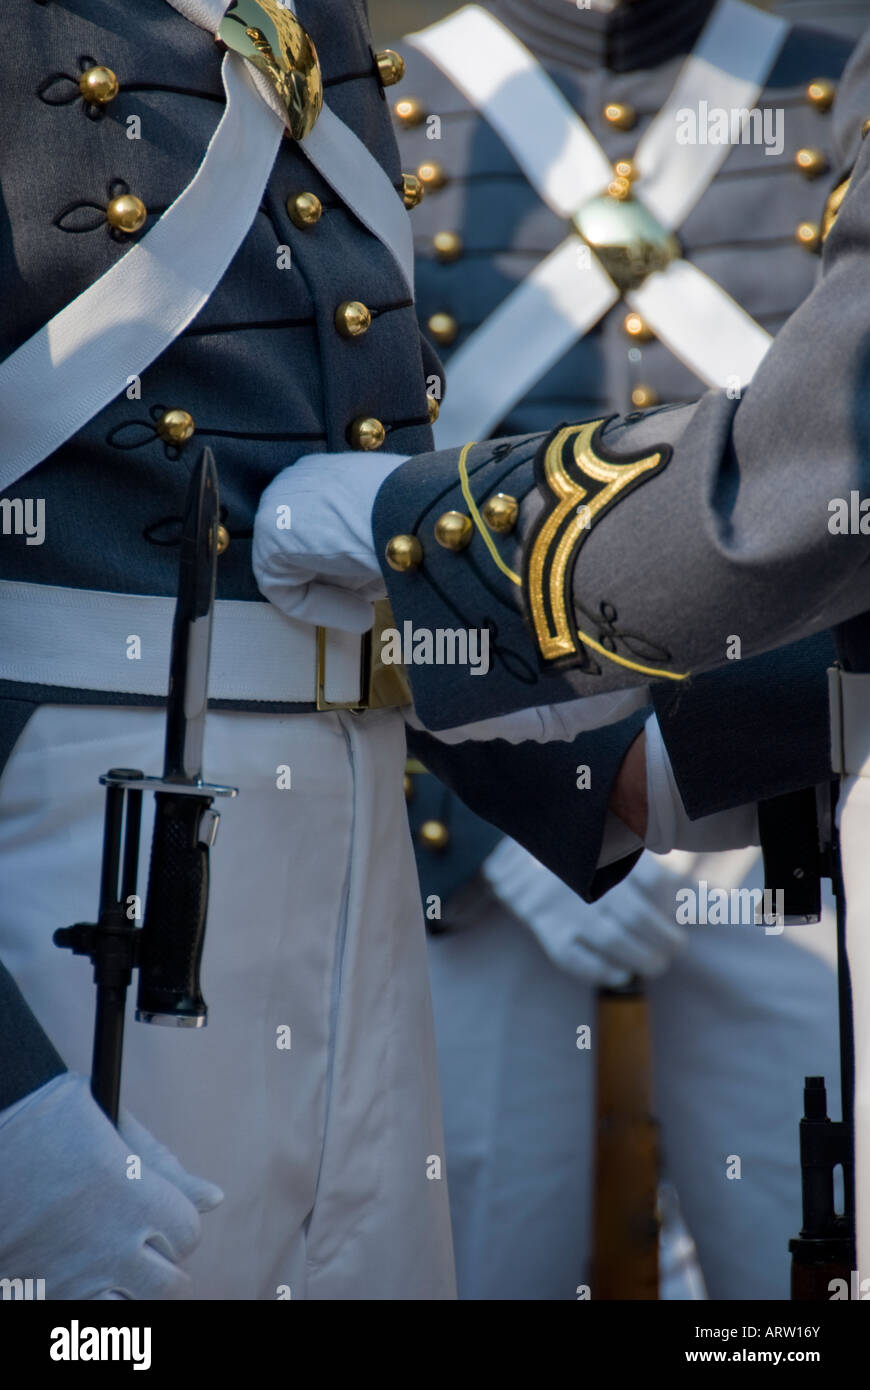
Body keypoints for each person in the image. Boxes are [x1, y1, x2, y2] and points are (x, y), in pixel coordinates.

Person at [252, 9, 870, 1281]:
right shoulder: (373, 104)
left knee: (807, 1275)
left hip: (796, 807)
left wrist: (717, 774)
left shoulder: (834, 85)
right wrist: (493, 824)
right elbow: (307, 526)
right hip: (474, 821)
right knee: (473, 1258)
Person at [0, 0, 454, 1300]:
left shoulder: (309, 17)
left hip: (364, 830)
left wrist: (630, 768)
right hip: (87, 846)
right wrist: (10, 1102)